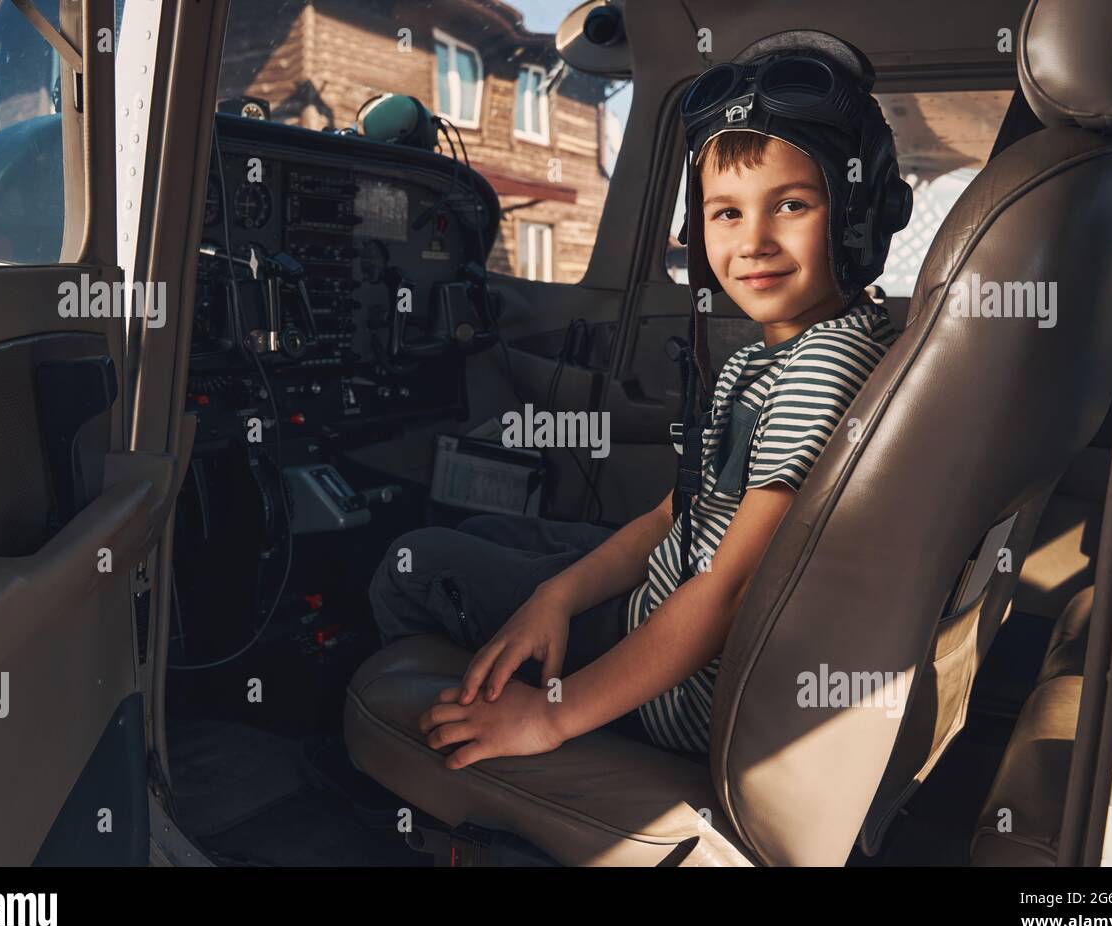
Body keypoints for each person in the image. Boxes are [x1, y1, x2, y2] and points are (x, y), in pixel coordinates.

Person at [367, 29, 911, 768]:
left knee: (412, 560)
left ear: (858, 217)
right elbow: (672, 515)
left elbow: (731, 587)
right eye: (725, 213)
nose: (752, 241)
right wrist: (555, 598)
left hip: (677, 684)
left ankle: (416, 774)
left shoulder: (824, 369)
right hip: (667, 586)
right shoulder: (779, 351)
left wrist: (550, 719)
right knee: (498, 539)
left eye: (789, 205)